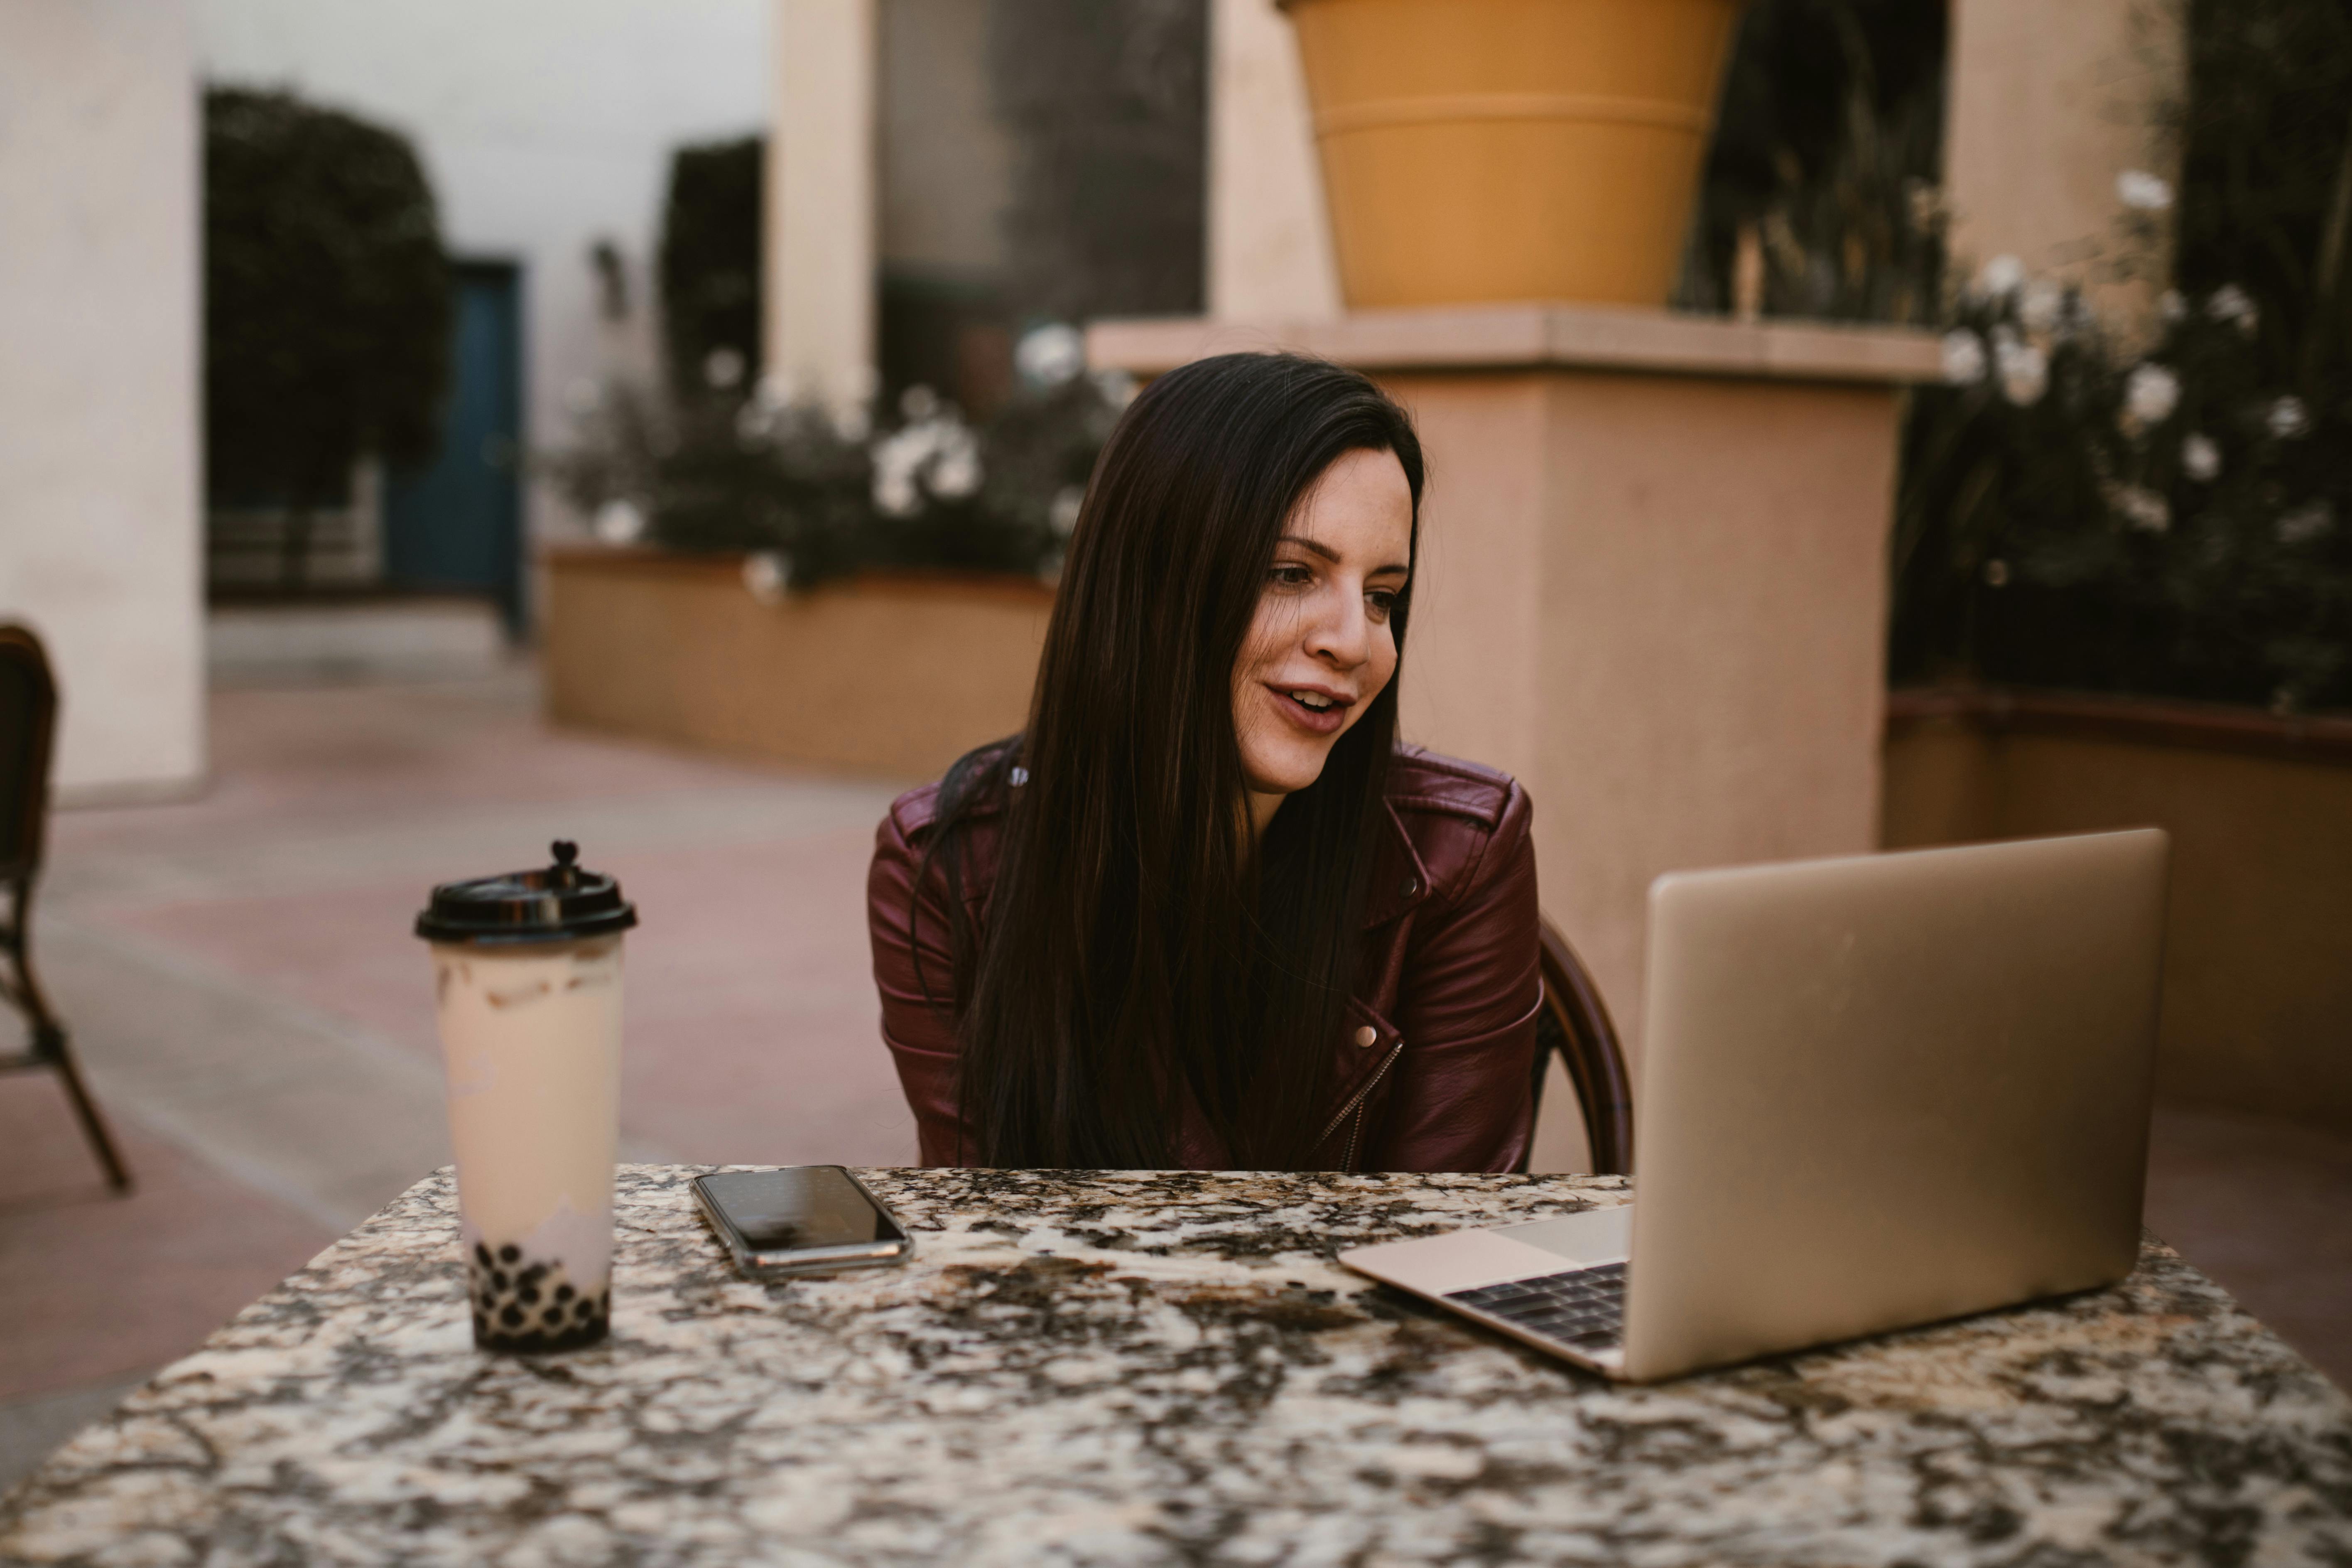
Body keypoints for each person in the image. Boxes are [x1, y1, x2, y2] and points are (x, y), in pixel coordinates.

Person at [867, 352, 1540, 1172]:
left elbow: (1448, 1242)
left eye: (1382, 595)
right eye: (1292, 573)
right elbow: (989, 1237)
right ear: (1151, 587)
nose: (1353, 641)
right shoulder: (948, 867)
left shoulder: (1462, 856)